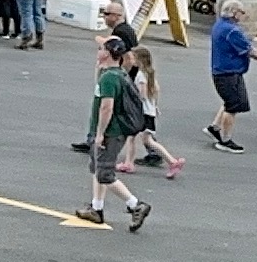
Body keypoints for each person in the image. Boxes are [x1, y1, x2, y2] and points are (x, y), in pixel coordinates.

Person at [76, 38, 151, 231]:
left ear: (108, 53)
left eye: (100, 49)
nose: (97, 51)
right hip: (114, 130)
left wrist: (100, 133)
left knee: (105, 173)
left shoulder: (109, 78)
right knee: (97, 168)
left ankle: (135, 204)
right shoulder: (117, 74)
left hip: (110, 132)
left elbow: (106, 107)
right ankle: (96, 207)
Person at [206, 0, 257, 153]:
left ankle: (215, 127)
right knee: (233, 105)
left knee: (229, 101)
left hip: (221, 70)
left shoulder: (219, 25)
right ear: (234, 12)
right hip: (229, 72)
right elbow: (249, 50)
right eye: (242, 12)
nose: (244, 15)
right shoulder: (232, 31)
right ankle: (225, 140)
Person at [128, 46, 186, 179]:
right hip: (149, 111)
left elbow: (141, 95)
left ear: (140, 60)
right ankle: (171, 161)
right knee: (143, 139)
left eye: (133, 58)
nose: (131, 61)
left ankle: (171, 161)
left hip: (142, 112)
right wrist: (155, 106)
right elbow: (156, 90)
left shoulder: (141, 75)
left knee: (136, 138)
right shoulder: (150, 74)